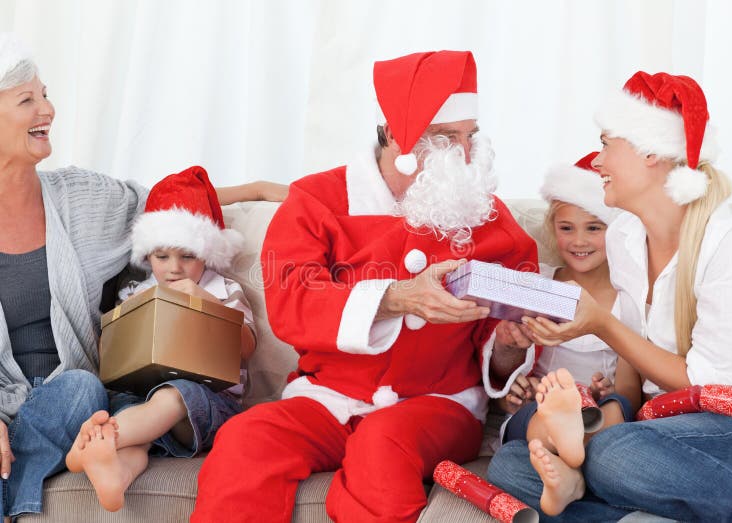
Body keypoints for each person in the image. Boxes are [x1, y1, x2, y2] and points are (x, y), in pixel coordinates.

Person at [191, 50, 540, 523]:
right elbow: (293, 297)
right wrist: (397, 296)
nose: (463, 153)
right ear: (396, 133)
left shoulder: (486, 215)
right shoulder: (317, 200)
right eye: (445, 138)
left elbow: (500, 339)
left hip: (438, 404)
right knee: (245, 440)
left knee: (383, 445)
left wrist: (508, 349)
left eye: (470, 137)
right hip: (328, 397)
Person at [0, 33, 285, 521]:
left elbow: (168, 202)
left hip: (67, 398)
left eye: (45, 93)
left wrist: (257, 187)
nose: (48, 108)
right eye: (28, 99)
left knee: (82, 392)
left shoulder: (79, 199)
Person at [492, 71, 732, 521]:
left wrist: (601, 323)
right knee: (511, 465)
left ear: (651, 152)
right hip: (660, 427)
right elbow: (632, 371)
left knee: (617, 453)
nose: (596, 162)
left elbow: (710, 388)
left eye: (605, 144)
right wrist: (614, 403)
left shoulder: (728, 242)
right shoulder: (627, 239)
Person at [64, 166, 256, 512]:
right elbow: (111, 353)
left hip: (209, 405)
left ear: (207, 255)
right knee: (138, 415)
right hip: (144, 406)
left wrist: (204, 301)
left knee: (171, 396)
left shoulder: (221, 289)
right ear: (147, 255)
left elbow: (247, 346)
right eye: (161, 256)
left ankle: (102, 437)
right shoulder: (138, 291)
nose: (174, 268)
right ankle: (115, 474)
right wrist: (127, 321)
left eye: (187, 256)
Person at [491, 153, 641, 515]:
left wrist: (605, 392)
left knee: (612, 413)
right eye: (566, 228)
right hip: (539, 415)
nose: (579, 240)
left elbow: (630, 393)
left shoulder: (629, 298)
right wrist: (514, 391)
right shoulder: (536, 283)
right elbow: (501, 385)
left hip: (599, 417)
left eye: (594, 227)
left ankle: (573, 471)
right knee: (508, 462)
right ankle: (570, 458)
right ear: (552, 227)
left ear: (618, 232)